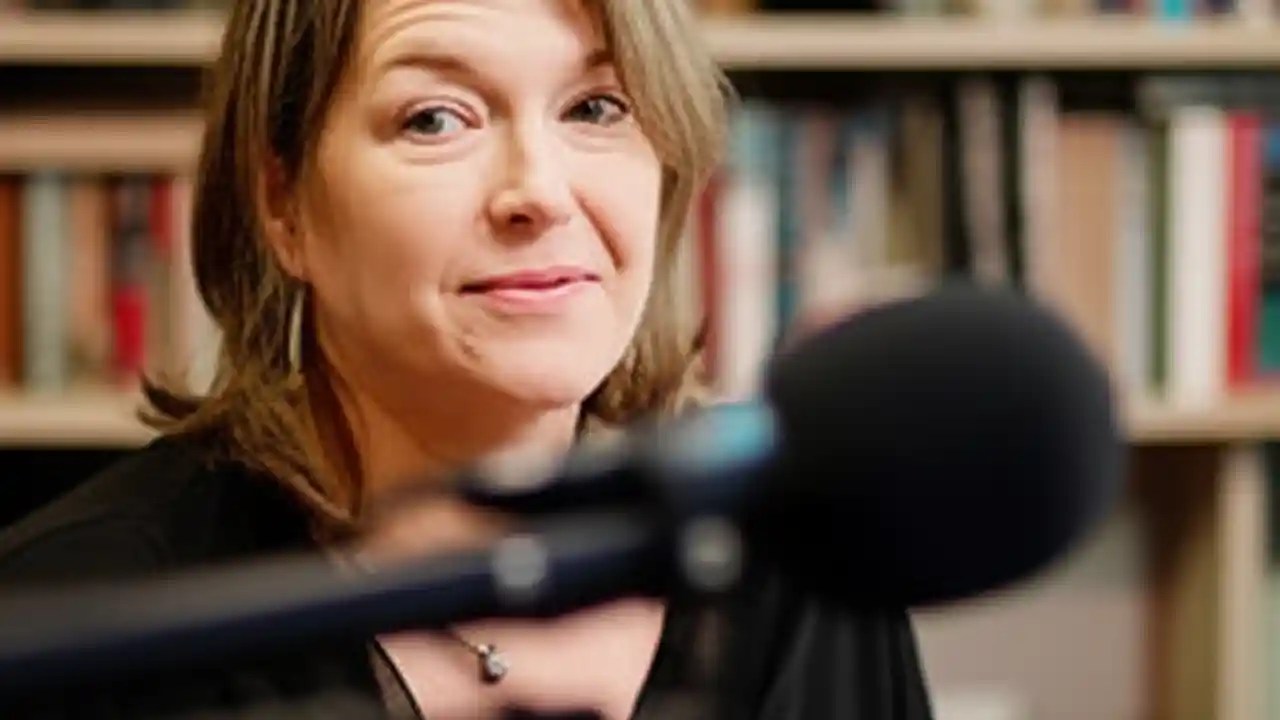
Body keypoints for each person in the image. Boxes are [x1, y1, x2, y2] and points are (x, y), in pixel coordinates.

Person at [0, 1, 935, 718]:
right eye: (435, 120)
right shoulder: (80, 619)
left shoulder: (807, 571)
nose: (539, 192)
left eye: (597, 106)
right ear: (282, 204)